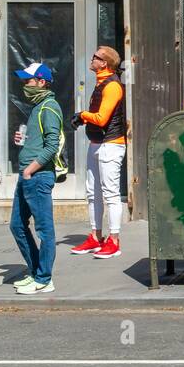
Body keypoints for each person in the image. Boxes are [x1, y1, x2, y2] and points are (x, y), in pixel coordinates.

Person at [9, 62, 63, 295]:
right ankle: (35, 271)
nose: (25, 85)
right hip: (29, 175)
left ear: (42, 82)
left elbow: (52, 145)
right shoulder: (38, 107)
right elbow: (41, 140)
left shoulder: (49, 107)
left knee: (44, 229)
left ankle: (44, 278)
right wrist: (24, 137)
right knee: (17, 225)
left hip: (38, 176)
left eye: (28, 81)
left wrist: (31, 169)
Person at [70, 45, 127, 259]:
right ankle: (96, 236)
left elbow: (102, 118)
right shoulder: (101, 83)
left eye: (96, 56)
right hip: (97, 142)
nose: (92, 58)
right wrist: (84, 117)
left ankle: (114, 240)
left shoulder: (112, 86)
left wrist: (83, 115)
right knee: (93, 192)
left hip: (111, 143)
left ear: (104, 63)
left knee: (111, 193)